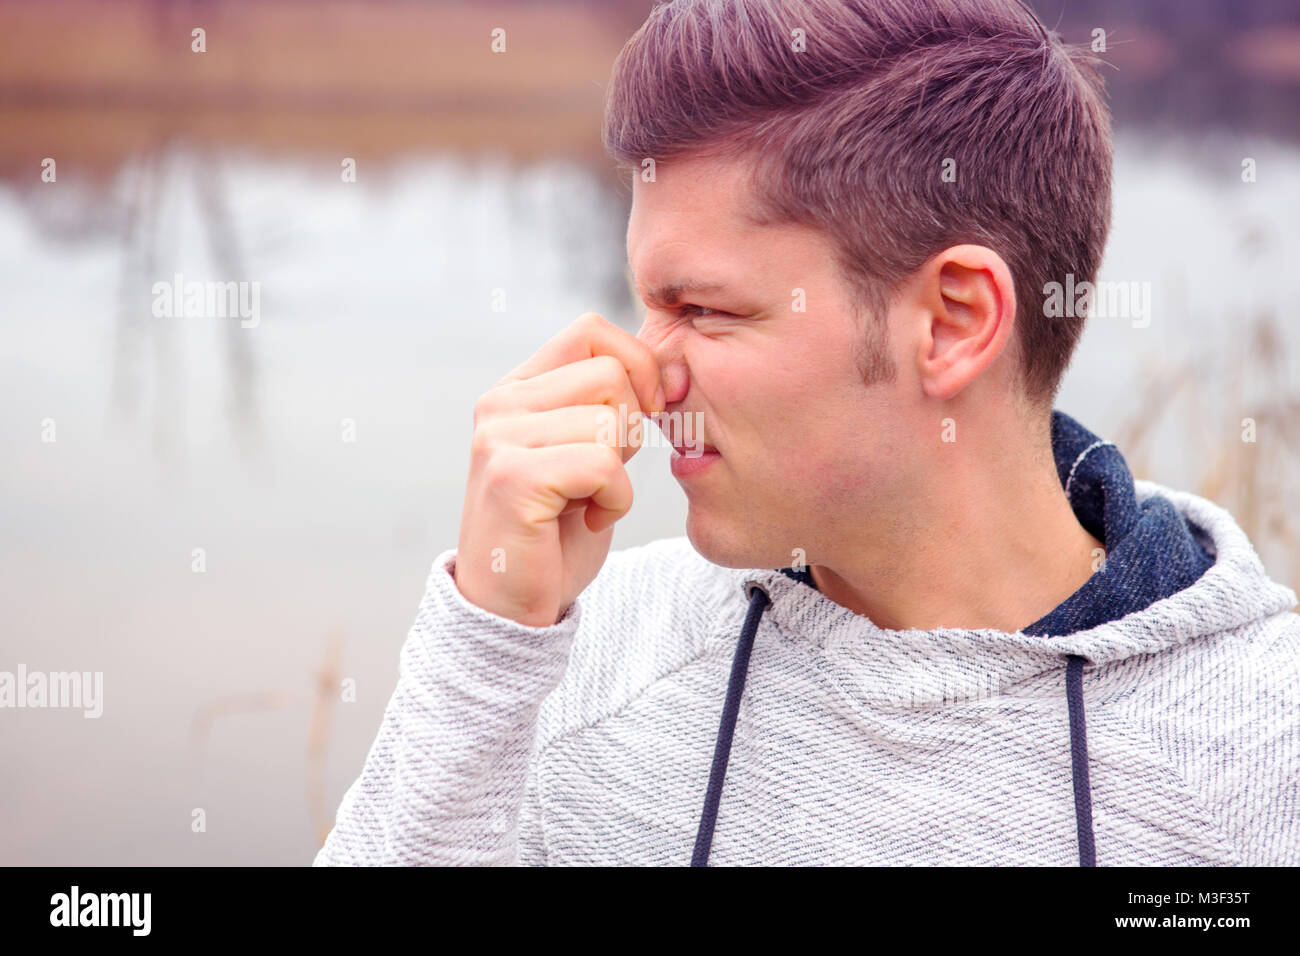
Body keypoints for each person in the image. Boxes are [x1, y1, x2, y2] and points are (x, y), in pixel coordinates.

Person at [314, 0, 1300, 866]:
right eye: (646, 303)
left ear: (953, 321)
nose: (645, 379)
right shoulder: (585, 657)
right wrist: (488, 644)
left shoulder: (1264, 749)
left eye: (702, 309)